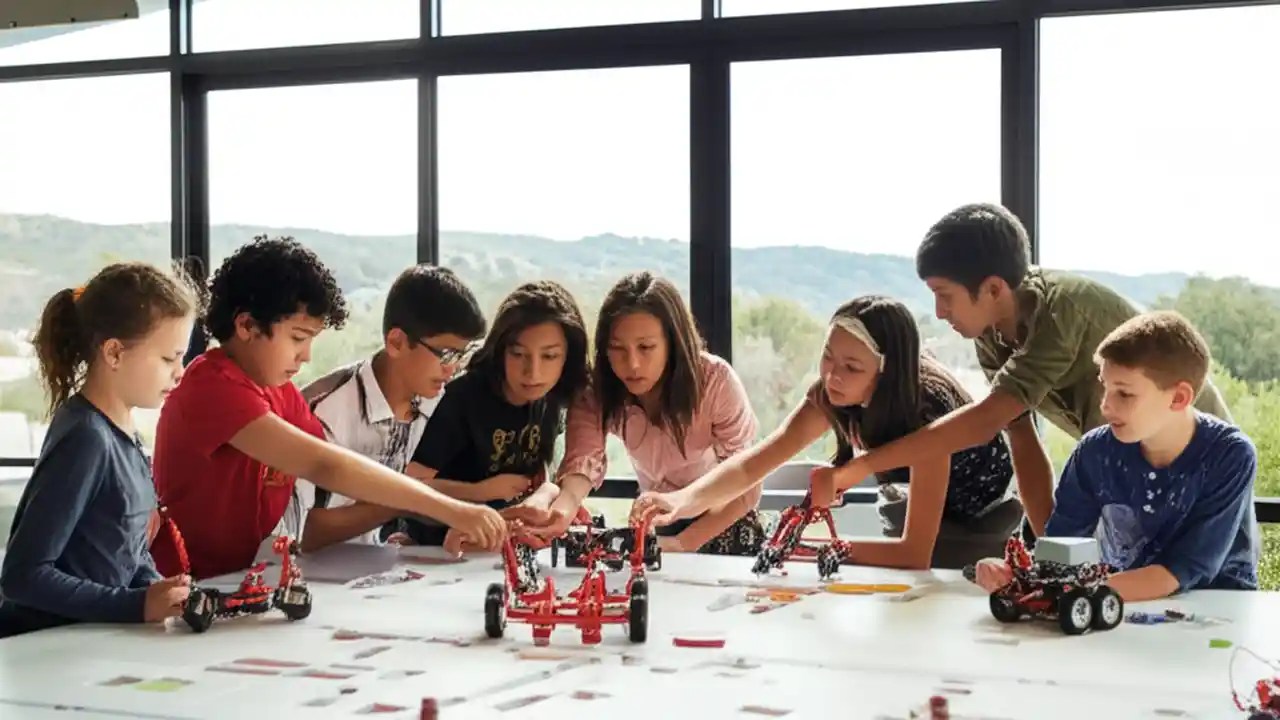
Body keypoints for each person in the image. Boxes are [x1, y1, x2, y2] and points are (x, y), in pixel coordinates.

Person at [819, 203, 1232, 537]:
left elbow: (983, 422)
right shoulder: (989, 334)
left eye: (945, 296)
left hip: (1191, 451)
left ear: (995, 289)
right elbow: (1020, 437)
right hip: (1123, 457)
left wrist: (861, 466)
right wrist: (1050, 549)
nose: (939, 312)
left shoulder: (1061, 312)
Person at [149, 237, 504, 580]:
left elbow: (350, 471)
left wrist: (464, 514)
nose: (306, 356)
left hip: (241, 579)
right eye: (298, 338)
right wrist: (452, 509)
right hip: (184, 584)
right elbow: (325, 465)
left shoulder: (280, 392)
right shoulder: (213, 388)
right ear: (246, 325)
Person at [631, 295, 1019, 568]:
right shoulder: (831, 394)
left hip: (978, 522)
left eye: (852, 367)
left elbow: (914, 554)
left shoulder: (927, 415)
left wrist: (806, 549)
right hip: (913, 501)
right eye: (828, 356)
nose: (832, 375)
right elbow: (753, 466)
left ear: (887, 372)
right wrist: (680, 501)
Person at [972, 311, 1258, 601]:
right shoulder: (1094, 451)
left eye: (1124, 394)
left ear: (1178, 398)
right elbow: (1060, 547)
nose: (1106, 406)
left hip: (1219, 609)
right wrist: (1017, 575)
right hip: (1116, 607)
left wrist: (1061, 590)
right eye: (1104, 387)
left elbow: (1185, 568)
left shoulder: (1229, 455)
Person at [0, 263, 198, 638]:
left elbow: (126, 552)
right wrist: (136, 605)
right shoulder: (86, 438)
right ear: (114, 353)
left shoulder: (125, 432)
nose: (180, 372)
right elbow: (23, 576)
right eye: (169, 358)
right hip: (41, 649)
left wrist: (165, 592)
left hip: (91, 642)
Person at [522, 272, 765, 556]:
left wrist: (685, 543)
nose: (632, 364)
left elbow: (748, 484)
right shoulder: (597, 390)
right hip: (660, 523)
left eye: (646, 347)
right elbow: (582, 461)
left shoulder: (715, 381)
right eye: (617, 349)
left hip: (726, 523)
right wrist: (563, 509)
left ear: (672, 342)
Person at [272, 264, 486, 552]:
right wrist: (410, 497)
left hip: (377, 569)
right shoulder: (325, 410)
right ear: (396, 342)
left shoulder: (437, 400)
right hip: (304, 579)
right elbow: (303, 533)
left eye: (462, 355)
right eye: (445, 354)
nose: (453, 368)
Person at [400, 280, 591, 547]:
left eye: (549, 357)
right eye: (518, 354)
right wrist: (481, 492)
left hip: (508, 545)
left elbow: (539, 478)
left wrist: (547, 500)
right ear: (501, 351)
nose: (533, 373)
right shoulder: (462, 398)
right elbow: (408, 487)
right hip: (440, 549)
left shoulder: (552, 398)